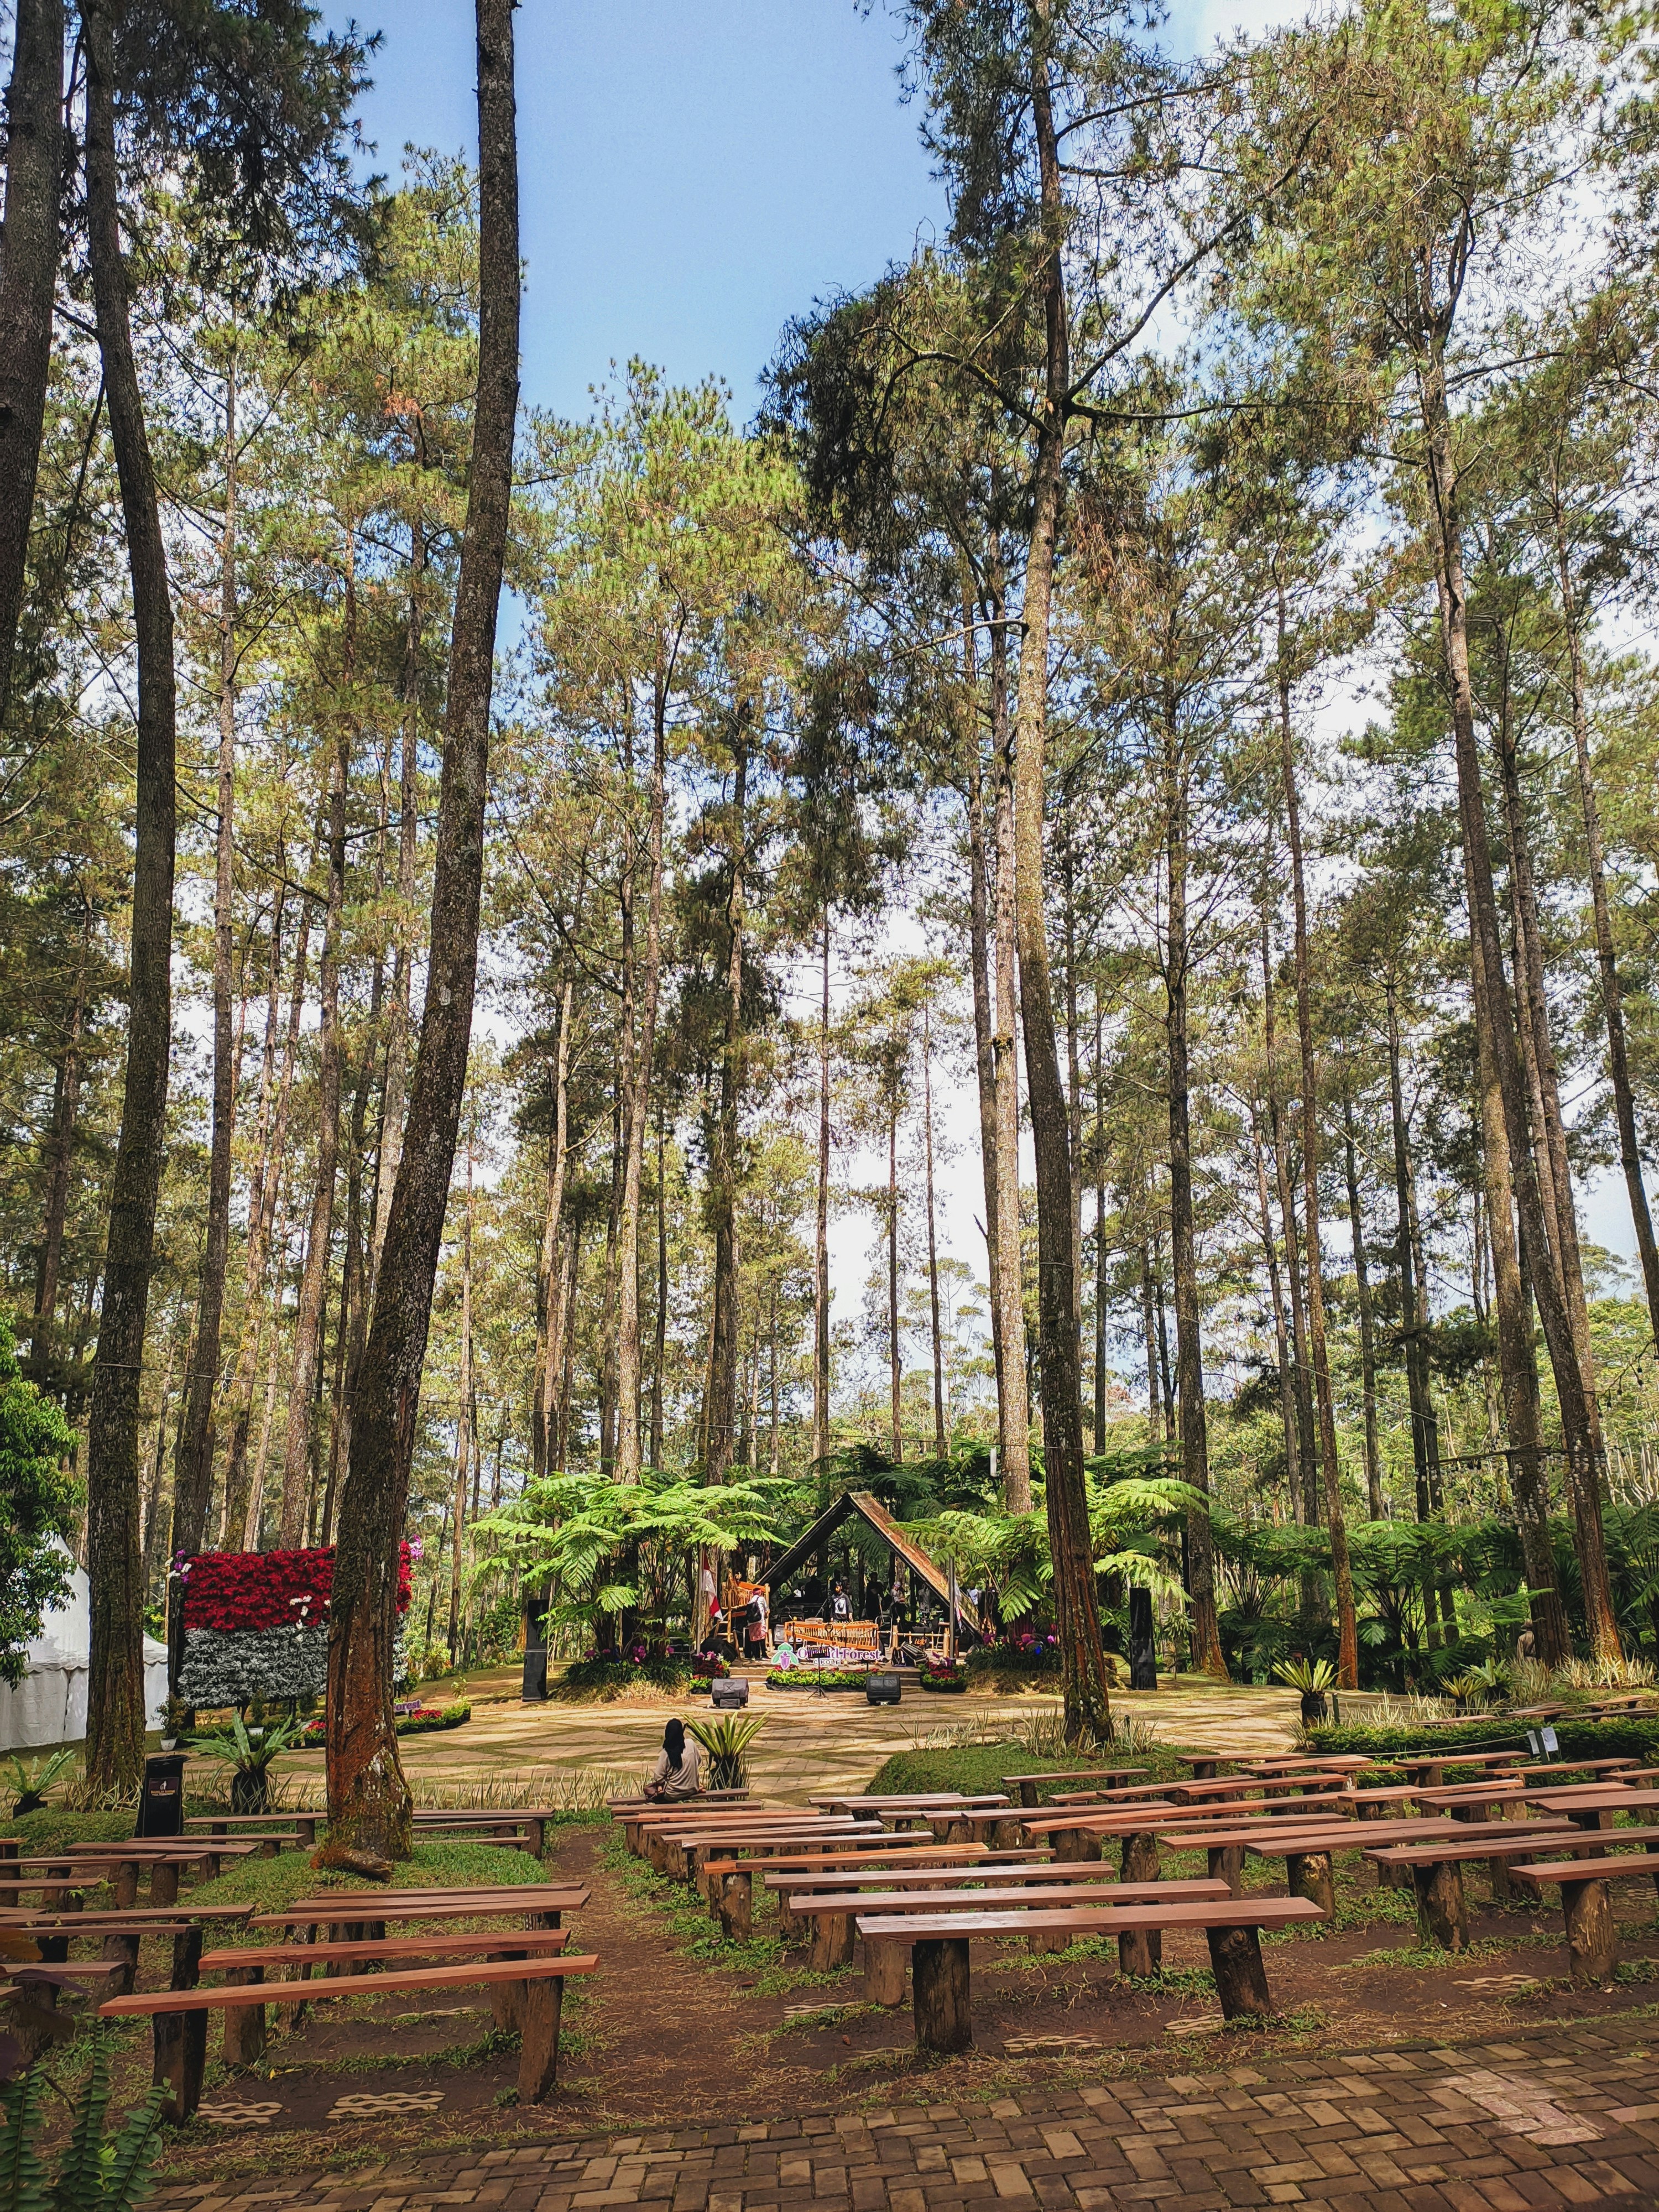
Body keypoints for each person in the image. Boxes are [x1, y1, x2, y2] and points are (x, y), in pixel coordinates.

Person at [643, 1717, 701, 1801]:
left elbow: (658, 1777)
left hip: (673, 1794)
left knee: (656, 1792)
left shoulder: (666, 1752)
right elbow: (698, 1761)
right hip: (693, 1789)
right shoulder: (691, 1744)